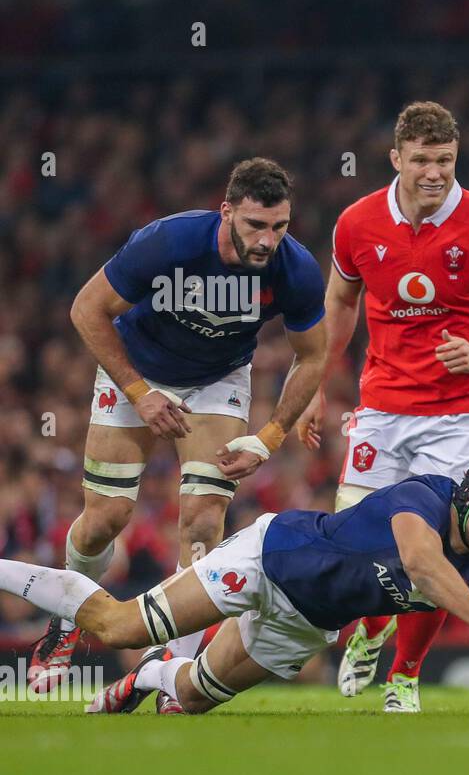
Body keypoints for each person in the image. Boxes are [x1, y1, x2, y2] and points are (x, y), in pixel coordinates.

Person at [28, 159, 328, 711]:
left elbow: (313, 357)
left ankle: (169, 667)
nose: (268, 240)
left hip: (218, 380)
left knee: (203, 518)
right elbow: (87, 310)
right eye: (257, 225)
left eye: (280, 226)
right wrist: (141, 392)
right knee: (104, 521)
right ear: (227, 211)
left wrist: (270, 436)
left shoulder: (296, 269)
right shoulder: (168, 242)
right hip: (135, 372)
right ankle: (66, 621)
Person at [1, 456, 469, 716]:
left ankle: (151, 673)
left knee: (194, 697)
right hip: (271, 558)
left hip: (306, 623)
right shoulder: (425, 495)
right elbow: (421, 563)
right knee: (118, 625)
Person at [298, 102, 469, 713]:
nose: (435, 172)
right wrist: (316, 383)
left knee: (442, 547)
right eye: (423, 160)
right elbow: (341, 303)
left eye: (446, 161)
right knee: (360, 542)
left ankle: (405, 677)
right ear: (396, 158)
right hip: (382, 407)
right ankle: (373, 629)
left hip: (463, 413)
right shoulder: (356, 223)